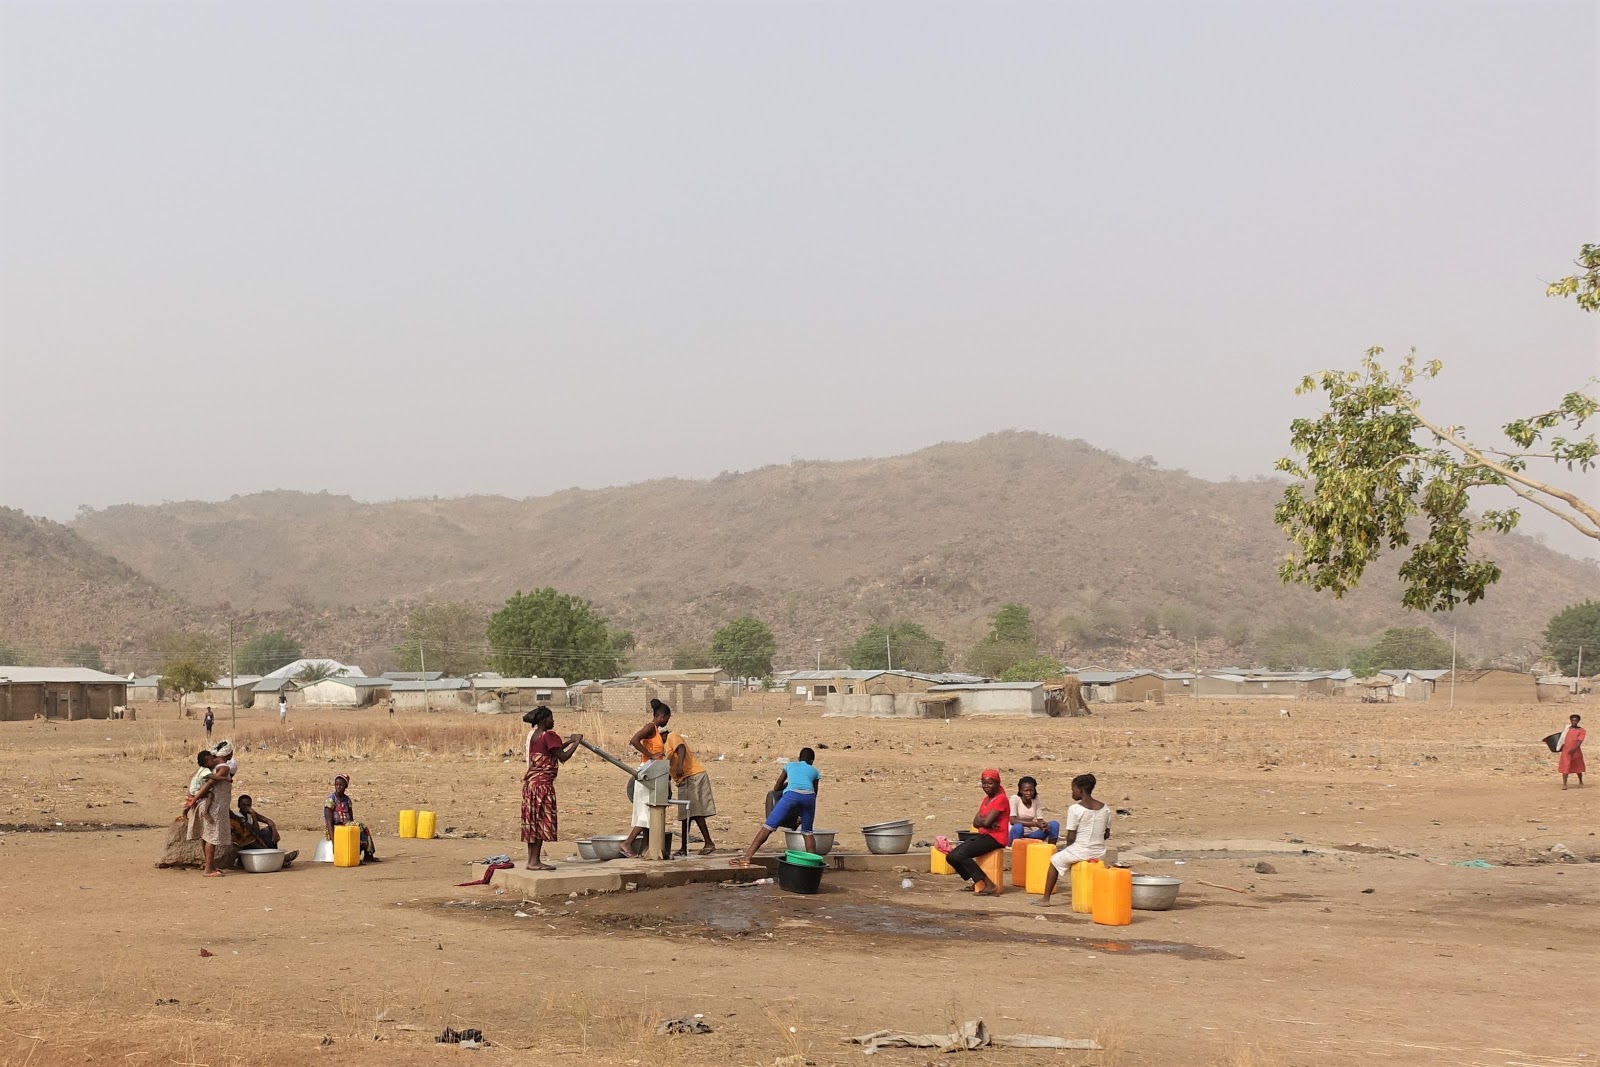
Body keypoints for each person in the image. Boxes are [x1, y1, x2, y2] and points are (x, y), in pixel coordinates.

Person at [1035, 773, 1115, 907]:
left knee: (1055, 860)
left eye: (1073, 790)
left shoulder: (1075, 809)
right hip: (1100, 851)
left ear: (1080, 791)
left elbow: (1071, 838)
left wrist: (1068, 849)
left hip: (1082, 850)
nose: (1072, 793)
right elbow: (1106, 834)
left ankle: (1046, 899)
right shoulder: (1105, 808)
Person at [520, 705, 583, 870]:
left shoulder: (534, 735)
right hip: (543, 786)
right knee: (540, 821)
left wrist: (569, 741)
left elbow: (553, 750)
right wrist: (576, 743)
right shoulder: (549, 735)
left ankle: (531, 860)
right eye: (551, 718)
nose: (553, 721)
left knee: (532, 822)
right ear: (544, 720)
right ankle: (535, 862)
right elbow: (563, 756)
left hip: (531, 785)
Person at [733, 748, 820, 866]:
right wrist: (802, 814)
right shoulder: (814, 771)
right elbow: (814, 793)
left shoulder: (790, 766)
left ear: (799, 759)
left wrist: (788, 785)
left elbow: (776, 787)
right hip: (809, 798)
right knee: (807, 832)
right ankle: (812, 864)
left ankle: (747, 857)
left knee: (767, 827)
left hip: (791, 795)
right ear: (812, 761)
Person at [659, 707, 718, 855]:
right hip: (683, 780)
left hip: (693, 776)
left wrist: (679, 766)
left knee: (694, 812)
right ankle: (685, 847)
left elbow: (681, 748)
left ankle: (708, 843)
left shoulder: (672, 736)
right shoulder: (664, 746)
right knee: (686, 815)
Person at [945, 770, 1009, 896]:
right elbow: (976, 822)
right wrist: (986, 822)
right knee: (951, 856)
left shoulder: (1000, 799)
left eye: (990, 783)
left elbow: (984, 822)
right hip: (985, 835)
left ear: (997, 783)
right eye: (984, 783)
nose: (986, 786)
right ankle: (976, 881)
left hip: (996, 837)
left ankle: (989, 884)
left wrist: (985, 821)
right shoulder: (986, 800)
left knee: (961, 854)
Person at [621, 700, 670, 858]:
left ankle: (646, 848)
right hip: (646, 773)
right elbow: (634, 740)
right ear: (661, 716)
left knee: (652, 812)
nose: (667, 722)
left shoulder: (656, 731)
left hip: (654, 773)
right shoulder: (650, 727)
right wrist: (651, 755)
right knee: (647, 812)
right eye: (667, 718)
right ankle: (628, 842)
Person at [185, 750, 233, 877]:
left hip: (204, 802)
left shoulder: (206, 769)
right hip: (213, 807)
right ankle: (208, 870)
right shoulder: (221, 769)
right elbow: (210, 783)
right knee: (211, 836)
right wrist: (227, 779)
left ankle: (210, 865)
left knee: (207, 836)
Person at [324, 774, 378, 862]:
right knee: (361, 826)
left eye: (340, 785)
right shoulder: (330, 800)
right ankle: (365, 853)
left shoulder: (347, 800)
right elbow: (329, 822)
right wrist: (335, 843)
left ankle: (367, 853)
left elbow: (351, 817)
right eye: (336, 785)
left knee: (363, 829)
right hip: (335, 827)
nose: (338, 787)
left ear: (345, 786)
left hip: (347, 825)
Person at [234, 794, 298, 864]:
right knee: (263, 834)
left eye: (248, 805)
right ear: (238, 805)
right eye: (244, 805)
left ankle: (274, 857)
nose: (246, 807)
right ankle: (276, 857)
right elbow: (256, 832)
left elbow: (268, 821)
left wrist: (274, 830)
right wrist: (254, 816)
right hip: (247, 845)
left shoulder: (249, 814)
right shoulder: (239, 817)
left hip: (253, 841)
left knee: (268, 831)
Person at [1008, 776, 1060, 844]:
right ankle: (1015, 848)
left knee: (1054, 824)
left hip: (1029, 834)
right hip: (1016, 834)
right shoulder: (1015, 799)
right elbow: (1012, 821)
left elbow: (1040, 819)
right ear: (1020, 790)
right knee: (1018, 827)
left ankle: (1051, 848)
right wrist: (1035, 824)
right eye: (1026, 790)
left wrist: (1043, 825)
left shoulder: (1035, 800)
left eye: (1031, 790)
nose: (1029, 793)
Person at [1559, 714, 1586, 789]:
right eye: (1572, 720)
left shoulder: (1581, 731)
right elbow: (1562, 739)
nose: (1574, 722)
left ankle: (1580, 781)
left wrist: (1574, 749)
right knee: (1565, 766)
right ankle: (1564, 784)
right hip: (1566, 751)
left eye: (1575, 720)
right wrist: (1560, 747)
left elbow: (1580, 741)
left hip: (1576, 751)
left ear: (1578, 721)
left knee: (1578, 766)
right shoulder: (1567, 729)